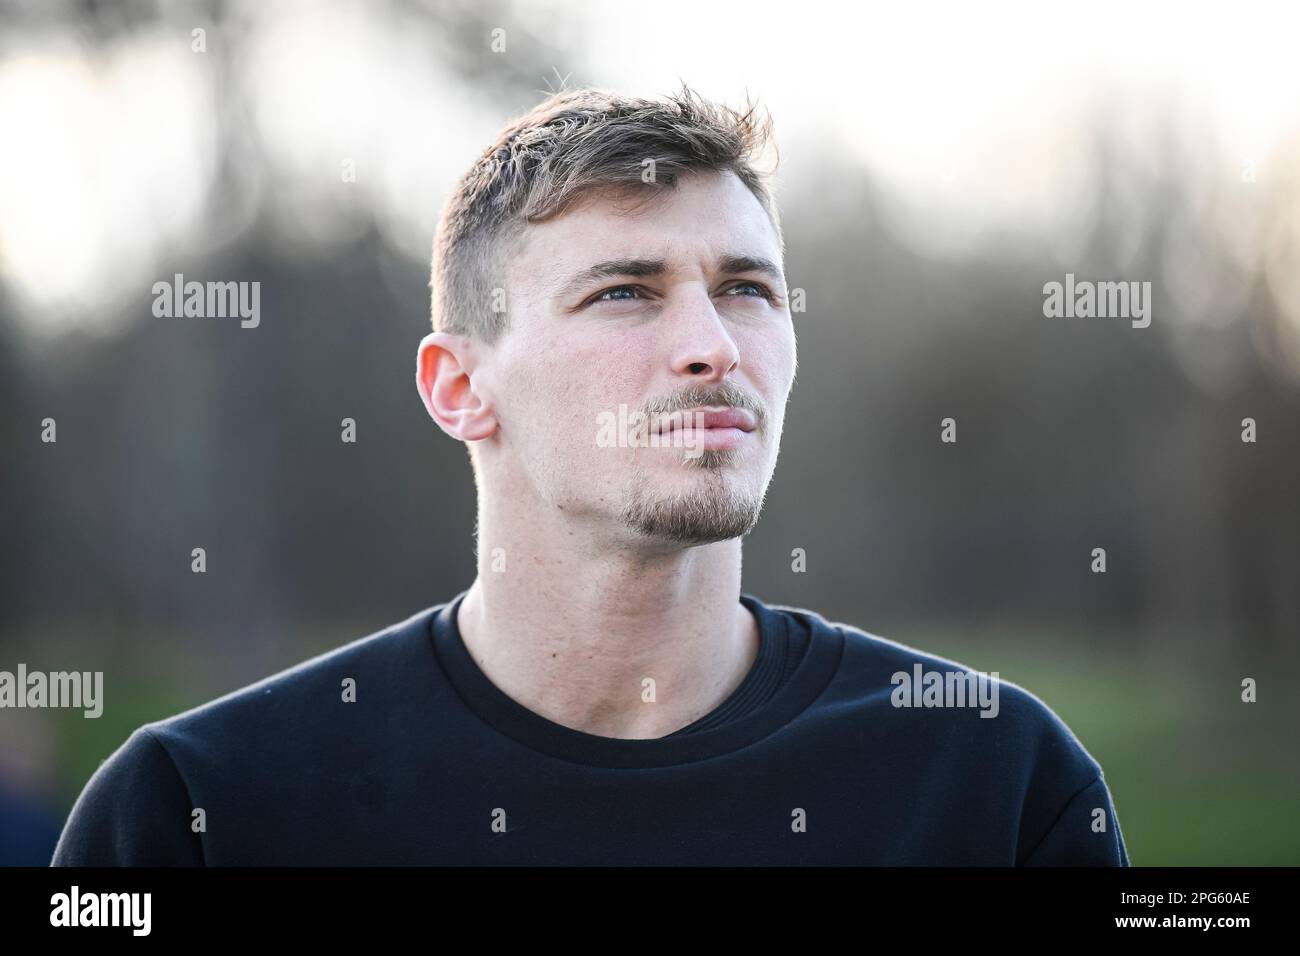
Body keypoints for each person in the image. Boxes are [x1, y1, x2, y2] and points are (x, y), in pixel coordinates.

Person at [52, 85, 1128, 865]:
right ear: (458, 386)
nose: (713, 344)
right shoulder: (197, 812)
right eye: (625, 291)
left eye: (748, 288)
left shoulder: (993, 784)